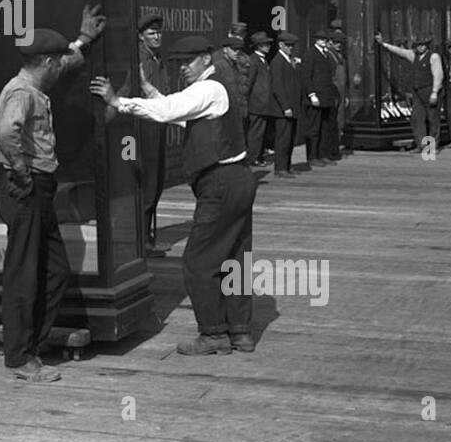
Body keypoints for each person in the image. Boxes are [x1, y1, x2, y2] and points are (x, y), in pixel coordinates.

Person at [91, 35, 256, 355]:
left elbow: (169, 110)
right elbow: (184, 114)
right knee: (235, 257)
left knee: (197, 261)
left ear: (206, 59)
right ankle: (240, 331)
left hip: (219, 184)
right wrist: (150, 91)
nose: (183, 67)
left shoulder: (208, 88)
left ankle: (212, 334)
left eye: (189, 61)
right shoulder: (219, 87)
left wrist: (117, 102)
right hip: (239, 179)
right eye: (179, 62)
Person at [0, 6, 106, 383]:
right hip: (25, 187)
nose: (64, 65)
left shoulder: (35, 83)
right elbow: (7, 133)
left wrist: (84, 40)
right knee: (24, 274)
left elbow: (69, 60)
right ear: (44, 61)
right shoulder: (22, 93)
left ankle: (31, 344)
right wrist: (22, 171)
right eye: (57, 60)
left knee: (54, 268)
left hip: (40, 188)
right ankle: (19, 357)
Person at [127, 13, 173, 257]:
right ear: (141, 36)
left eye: (158, 32)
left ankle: (147, 236)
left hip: (157, 125)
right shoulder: (140, 59)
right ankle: (143, 240)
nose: (157, 36)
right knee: (148, 182)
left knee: (155, 182)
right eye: (151, 33)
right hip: (145, 128)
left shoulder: (155, 57)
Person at [374, 33, 442, 152]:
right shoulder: (414, 55)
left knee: (432, 119)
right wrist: (383, 44)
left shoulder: (434, 57)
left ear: (427, 45)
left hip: (429, 90)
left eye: (423, 45)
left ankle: (432, 146)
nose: (421, 47)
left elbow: (438, 75)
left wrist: (435, 92)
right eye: (419, 45)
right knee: (417, 118)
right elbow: (400, 51)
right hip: (417, 92)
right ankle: (421, 145)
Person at [302, 29, 339, 166]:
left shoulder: (327, 55)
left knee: (324, 128)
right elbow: (306, 77)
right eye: (322, 39)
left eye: (326, 39)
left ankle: (322, 154)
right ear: (316, 40)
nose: (325, 41)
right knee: (314, 128)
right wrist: (312, 95)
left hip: (326, 97)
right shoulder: (310, 54)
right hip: (316, 97)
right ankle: (312, 157)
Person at [268, 31, 301, 176]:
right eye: (288, 45)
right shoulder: (277, 62)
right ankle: (280, 168)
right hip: (283, 109)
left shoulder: (288, 60)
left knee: (290, 138)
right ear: (280, 45)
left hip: (291, 106)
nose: (290, 48)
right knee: (283, 139)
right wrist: (285, 106)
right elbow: (278, 87)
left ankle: (286, 165)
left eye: (292, 45)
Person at [244, 31, 275, 167]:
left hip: (263, 103)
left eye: (268, 43)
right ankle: (253, 157)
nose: (268, 46)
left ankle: (259, 156)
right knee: (256, 132)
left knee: (261, 132)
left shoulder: (262, 60)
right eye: (264, 44)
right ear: (258, 46)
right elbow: (249, 82)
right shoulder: (254, 60)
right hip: (256, 104)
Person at [328, 31, 348, 158]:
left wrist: (345, 95)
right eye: (336, 42)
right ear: (331, 42)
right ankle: (332, 150)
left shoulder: (341, 57)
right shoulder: (329, 56)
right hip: (333, 93)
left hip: (341, 92)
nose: (338, 45)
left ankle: (336, 147)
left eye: (340, 42)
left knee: (340, 122)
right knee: (333, 122)